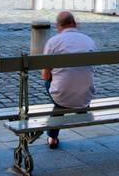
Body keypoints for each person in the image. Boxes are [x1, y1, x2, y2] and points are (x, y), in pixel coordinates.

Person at [40, 10, 96, 149]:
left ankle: (52, 137)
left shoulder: (53, 42)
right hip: (85, 95)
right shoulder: (89, 40)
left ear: (58, 26)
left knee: (54, 88)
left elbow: (45, 76)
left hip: (61, 95)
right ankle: (80, 109)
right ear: (75, 23)